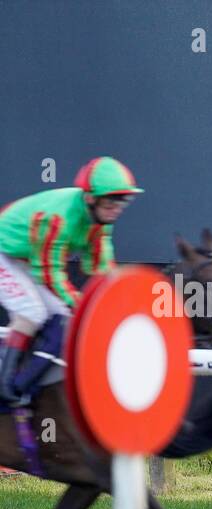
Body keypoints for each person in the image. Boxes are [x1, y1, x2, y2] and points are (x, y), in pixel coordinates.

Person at [0, 156, 142, 403]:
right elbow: (49, 272)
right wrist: (83, 303)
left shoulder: (101, 221)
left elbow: (101, 269)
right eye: (112, 201)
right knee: (32, 311)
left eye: (124, 201)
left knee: (66, 318)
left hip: (24, 258)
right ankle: (4, 382)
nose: (118, 208)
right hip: (6, 254)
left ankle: (25, 385)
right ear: (90, 198)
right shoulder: (56, 219)